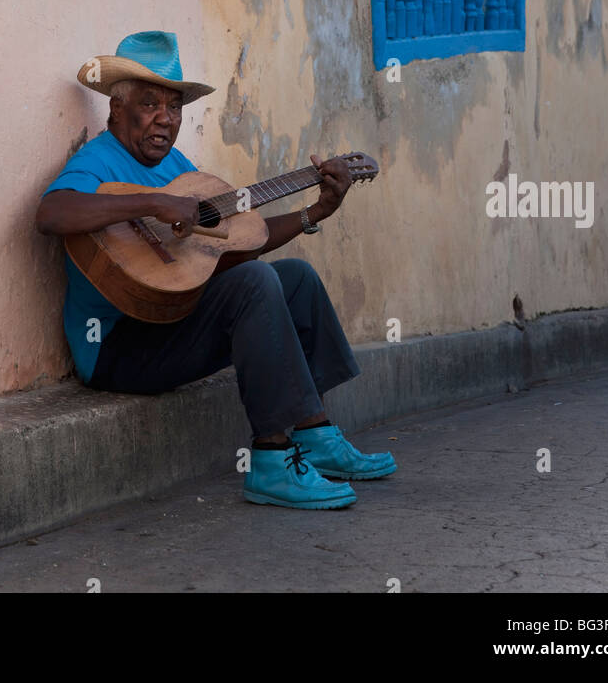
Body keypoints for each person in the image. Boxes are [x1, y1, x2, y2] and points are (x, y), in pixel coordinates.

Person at [35, 31, 397, 509]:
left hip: (171, 320)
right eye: (149, 104)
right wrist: (154, 202)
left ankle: (316, 435)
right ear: (116, 109)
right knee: (255, 282)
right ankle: (270, 459)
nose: (165, 119)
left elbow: (231, 247)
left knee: (294, 279)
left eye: (175, 107)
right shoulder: (100, 161)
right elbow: (52, 214)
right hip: (118, 349)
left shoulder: (177, 165)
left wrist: (315, 212)